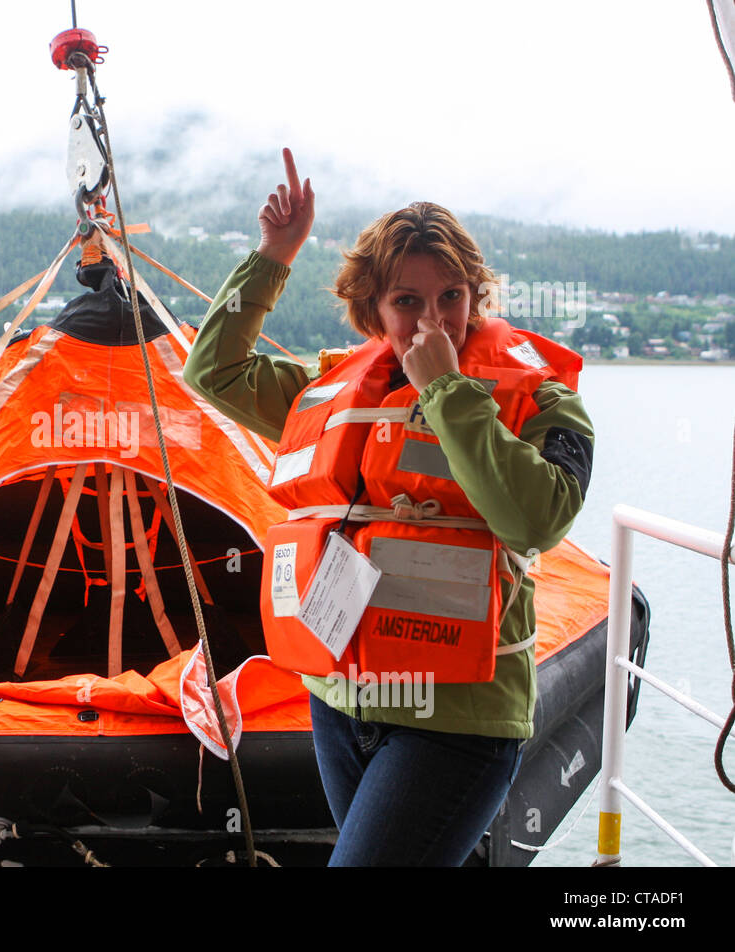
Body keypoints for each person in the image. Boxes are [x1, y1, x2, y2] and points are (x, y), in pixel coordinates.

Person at [183, 148, 594, 866]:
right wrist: (273, 256)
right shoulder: (336, 388)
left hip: (460, 720)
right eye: (407, 301)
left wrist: (444, 391)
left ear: (475, 296)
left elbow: (537, 519)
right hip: (340, 706)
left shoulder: (542, 400)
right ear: (372, 308)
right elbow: (213, 370)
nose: (432, 320)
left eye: (451, 298)